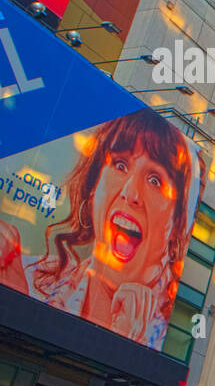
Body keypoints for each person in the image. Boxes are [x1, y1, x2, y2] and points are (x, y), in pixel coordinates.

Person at [0, 110, 204, 350]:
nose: (131, 193)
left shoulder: (161, 338)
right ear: (93, 188)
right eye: (120, 165)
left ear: (177, 226)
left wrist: (129, 345)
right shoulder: (31, 276)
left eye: (155, 181)